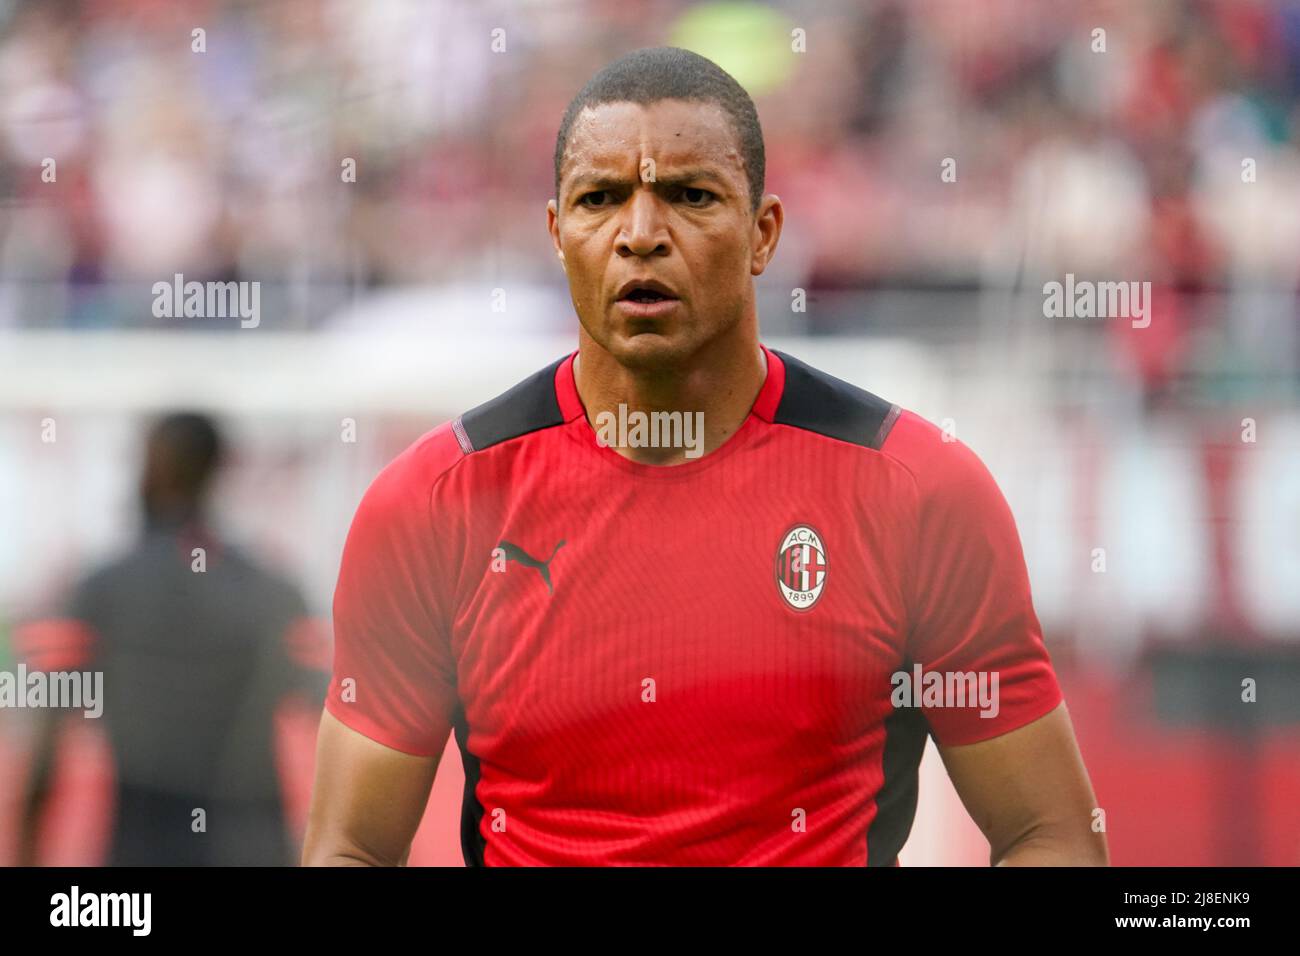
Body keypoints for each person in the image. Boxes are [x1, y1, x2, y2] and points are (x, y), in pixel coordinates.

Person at [304, 47, 1107, 866]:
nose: (641, 235)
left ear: (764, 235)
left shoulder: (919, 493)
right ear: (557, 233)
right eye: (600, 199)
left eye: (690, 196)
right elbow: (351, 849)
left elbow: (1050, 835)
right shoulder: (432, 506)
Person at [18, 412, 328, 866]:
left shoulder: (103, 590)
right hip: (254, 845)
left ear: (152, 468)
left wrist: (27, 851)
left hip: (143, 848)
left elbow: (47, 748)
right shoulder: (276, 591)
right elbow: (339, 727)